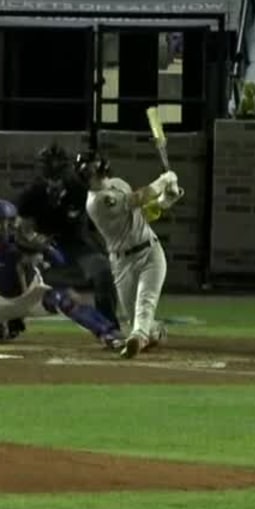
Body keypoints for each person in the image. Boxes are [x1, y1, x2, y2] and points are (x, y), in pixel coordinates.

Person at [0, 199, 125, 350]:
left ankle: (108, 333)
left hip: (32, 295)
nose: (0, 228)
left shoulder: (24, 242)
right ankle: (3, 326)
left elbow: (59, 261)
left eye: (5, 223)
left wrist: (44, 247)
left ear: (12, 223)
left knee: (64, 299)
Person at [78, 150, 183, 359]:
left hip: (150, 251)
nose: (88, 175)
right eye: (85, 172)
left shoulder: (118, 184)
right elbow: (137, 199)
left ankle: (138, 338)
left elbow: (139, 214)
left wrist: (164, 201)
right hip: (122, 262)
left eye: (90, 170)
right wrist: (164, 181)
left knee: (146, 299)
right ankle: (153, 331)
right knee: (133, 315)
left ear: (100, 168)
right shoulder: (98, 201)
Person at [16, 143, 120, 328]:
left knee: (102, 270)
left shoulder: (79, 190)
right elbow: (21, 227)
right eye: (49, 168)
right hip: (42, 245)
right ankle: (10, 320)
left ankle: (108, 324)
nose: (55, 177)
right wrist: (34, 239)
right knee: (11, 266)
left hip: (76, 243)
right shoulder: (32, 193)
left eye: (59, 168)